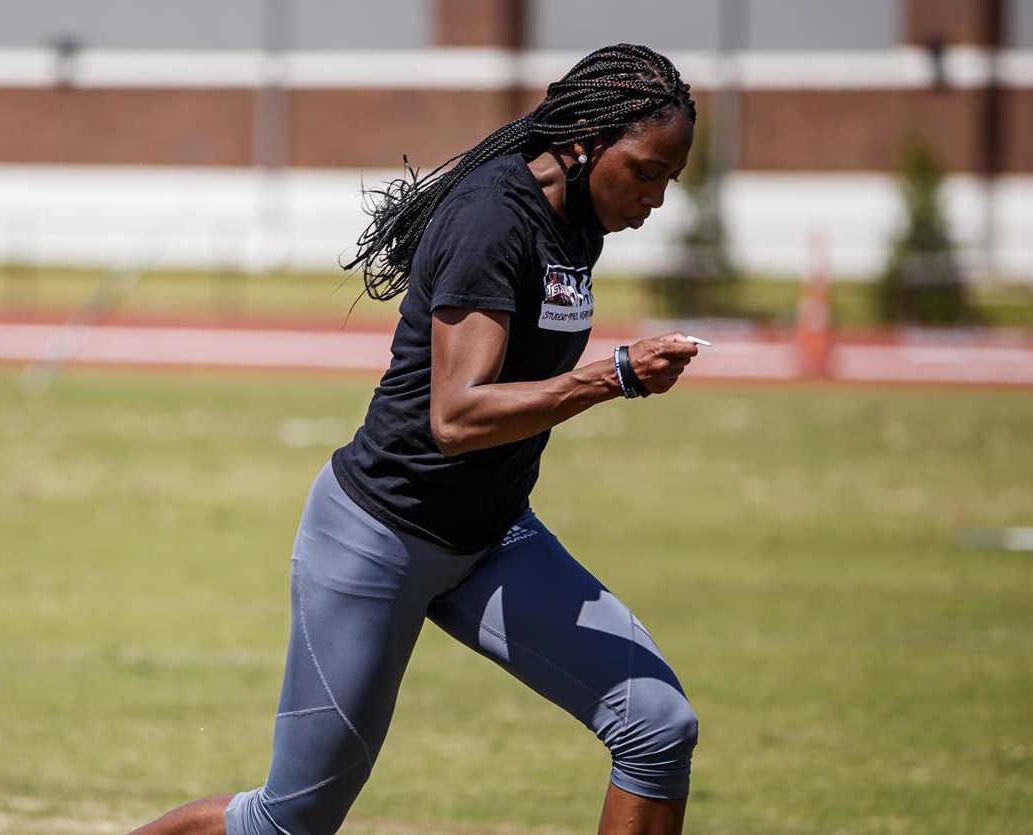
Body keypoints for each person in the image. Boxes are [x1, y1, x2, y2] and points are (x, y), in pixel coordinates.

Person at [131, 43, 702, 835]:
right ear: (584, 142)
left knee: (658, 727)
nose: (656, 198)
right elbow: (457, 418)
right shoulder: (493, 217)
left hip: (493, 539)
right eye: (646, 171)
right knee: (289, 821)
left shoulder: (580, 224)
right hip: (379, 539)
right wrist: (616, 374)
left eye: (671, 180)